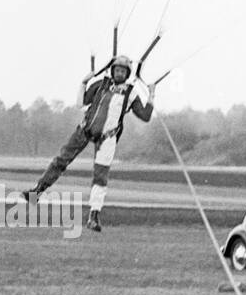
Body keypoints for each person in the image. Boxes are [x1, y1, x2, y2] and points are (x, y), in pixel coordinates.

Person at [18, 55, 155, 233]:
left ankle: (94, 216)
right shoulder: (100, 85)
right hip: (84, 131)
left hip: (108, 138)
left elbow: (145, 116)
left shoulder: (131, 94)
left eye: (123, 71)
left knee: (100, 176)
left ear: (127, 73)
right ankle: (36, 192)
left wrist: (151, 94)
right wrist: (84, 82)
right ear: (113, 71)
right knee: (60, 161)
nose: (119, 74)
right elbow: (80, 103)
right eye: (117, 70)